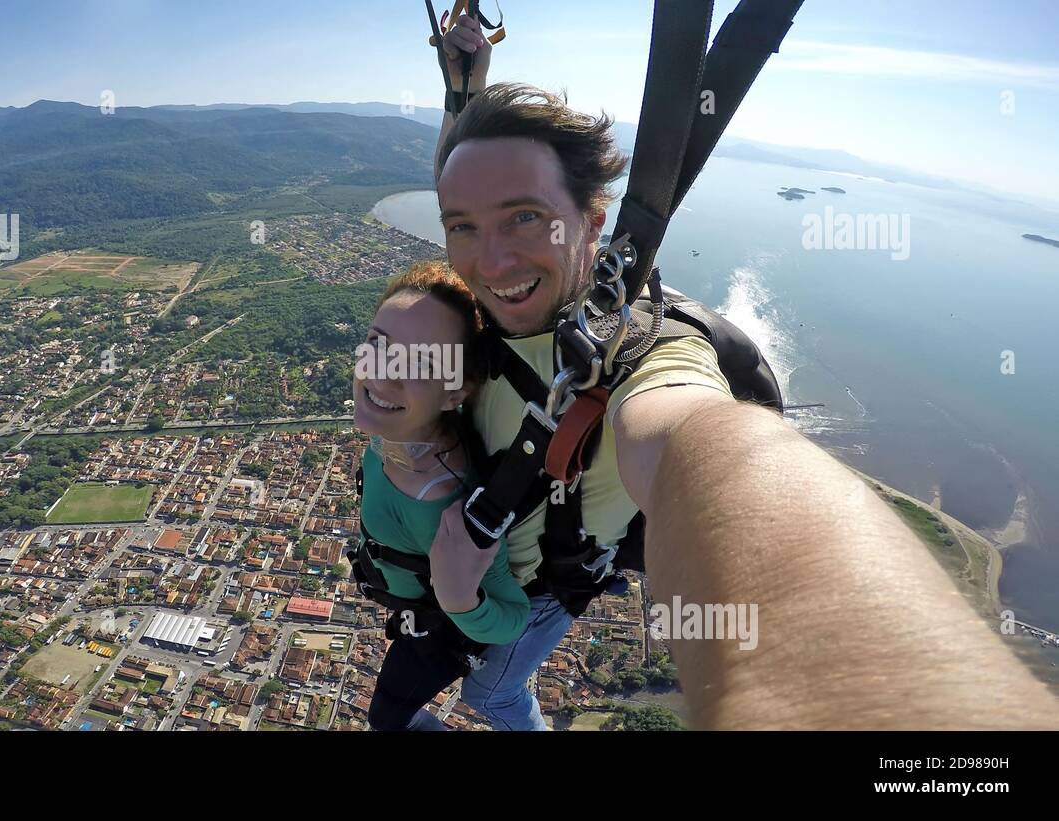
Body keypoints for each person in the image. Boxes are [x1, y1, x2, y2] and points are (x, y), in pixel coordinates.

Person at [424, 13, 1059, 729]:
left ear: (594, 222)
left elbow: (709, 449)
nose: (491, 261)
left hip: (533, 590)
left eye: (526, 218)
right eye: (463, 227)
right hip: (477, 562)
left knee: (494, 696)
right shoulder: (492, 306)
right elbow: (462, 194)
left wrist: (899, 703)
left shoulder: (644, 358)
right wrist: (465, 92)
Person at [353, 261, 530, 731]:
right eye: (377, 345)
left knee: (388, 720)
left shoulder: (448, 503)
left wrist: (458, 600)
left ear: (456, 393)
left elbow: (513, 618)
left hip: (440, 633)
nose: (382, 375)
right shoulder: (397, 432)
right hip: (416, 610)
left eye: (421, 363)